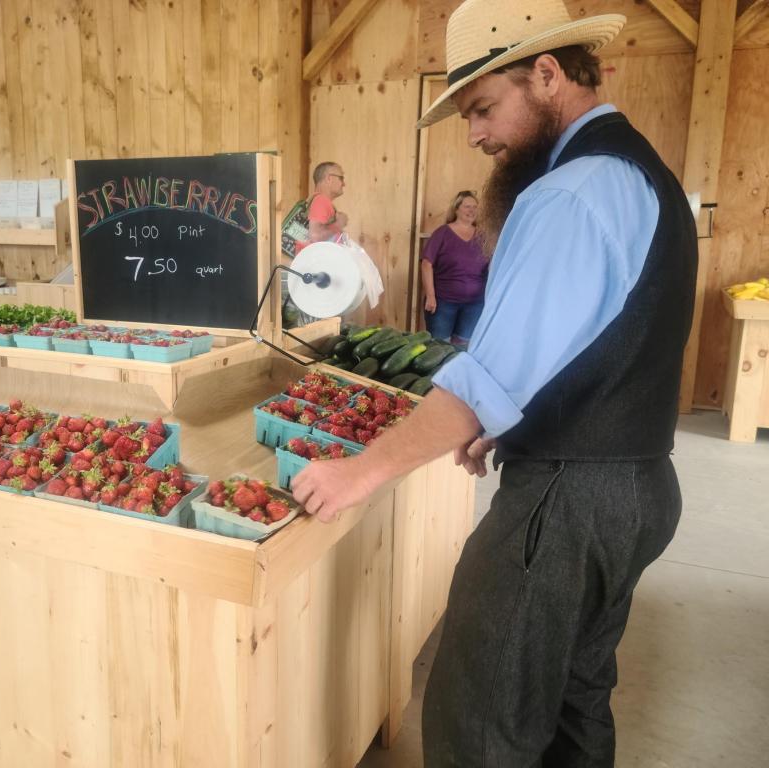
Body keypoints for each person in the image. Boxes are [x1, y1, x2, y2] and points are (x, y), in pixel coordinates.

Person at [291, 1, 697, 766]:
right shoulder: (641, 175)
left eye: (482, 108)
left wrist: (360, 471)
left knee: (481, 720)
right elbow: (592, 342)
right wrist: (510, 423)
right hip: (636, 486)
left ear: (547, 74)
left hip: (568, 506)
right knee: (575, 705)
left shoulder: (572, 193)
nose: (475, 134)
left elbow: (493, 372)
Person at [281, 162, 349, 326]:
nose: (344, 183)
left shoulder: (318, 201)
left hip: (306, 275)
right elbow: (316, 235)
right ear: (328, 178)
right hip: (309, 276)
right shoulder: (321, 202)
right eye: (341, 178)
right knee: (309, 330)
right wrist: (338, 225)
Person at [422, 190, 488, 346]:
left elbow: (491, 267)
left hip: (474, 304)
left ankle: (455, 372)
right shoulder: (442, 233)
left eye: (475, 207)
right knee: (439, 347)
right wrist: (431, 296)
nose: (471, 210)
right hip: (443, 302)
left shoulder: (484, 236)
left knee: (463, 347)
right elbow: (426, 264)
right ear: (456, 209)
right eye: (467, 206)